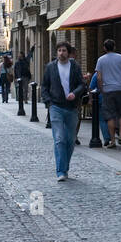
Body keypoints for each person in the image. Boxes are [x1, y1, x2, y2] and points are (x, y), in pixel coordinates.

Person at [41, 41, 86, 181]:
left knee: (70, 140)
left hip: (72, 108)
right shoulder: (50, 67)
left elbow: (82, 84)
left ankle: (64, 167)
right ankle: (61, 171)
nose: (61, 53)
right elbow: (44, 86)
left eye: (64, 50)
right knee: (59, 139)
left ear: (68, 52)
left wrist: (75, 93)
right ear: (57, 53)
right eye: (59, 50)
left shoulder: (75, 66)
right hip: (56, 107)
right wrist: (49, 102)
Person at [94, 38, 121, 148]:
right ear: (114, 47)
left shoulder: (101, 60)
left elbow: (99, 77)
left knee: (109, 116)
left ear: (104, 48)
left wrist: (102, 89)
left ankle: (113, 141)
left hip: (108, 90)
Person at [86, 69, 112, 145]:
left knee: (102, 119)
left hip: (101, 98)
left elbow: (91, 87)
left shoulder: (97, 74)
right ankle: (113, 137)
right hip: (111, 97)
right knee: (111, 118)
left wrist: (90, 99)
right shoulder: (111, 72)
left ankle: (107, 138)